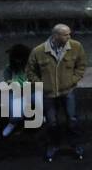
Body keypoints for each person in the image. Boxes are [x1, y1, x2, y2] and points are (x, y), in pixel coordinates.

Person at [28, 24, 87, 162]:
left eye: (69, 34)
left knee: (72, 119)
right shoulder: (38, 51)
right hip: (48, 94)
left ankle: (76, 145)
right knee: (51, 122)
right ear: (56, 36)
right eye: (66, 34)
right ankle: (53, 146)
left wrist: (73, 80)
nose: (69, 37)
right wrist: (41, 84)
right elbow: (30, 71)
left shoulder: (76, 46)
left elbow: (81, 65)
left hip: (68, 91)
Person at [0, 44, 31, 138]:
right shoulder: (9, 68)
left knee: (45, 100)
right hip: (16, 92)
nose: (18, 61)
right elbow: (8, 81)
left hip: (32, 91)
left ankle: (41, 118)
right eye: (15, 59)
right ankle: (13, 123)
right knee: (16, 114)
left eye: (20, 59)